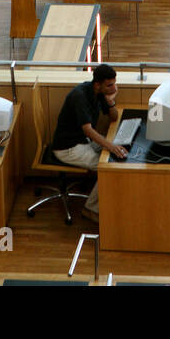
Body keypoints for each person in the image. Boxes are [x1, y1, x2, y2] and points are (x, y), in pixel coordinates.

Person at [51, 64, 124, 222]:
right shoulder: (80, 96)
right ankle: (91, 209)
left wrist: (110, 101)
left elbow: (114, 117)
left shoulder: (100, 92)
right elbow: (88, 130)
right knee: (108, 167)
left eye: (114, 83)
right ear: (97, 84)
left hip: (84, 141)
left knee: (117, 154)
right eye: (110, 85)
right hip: (68, 148)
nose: (114, 88)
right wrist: (111, 147)